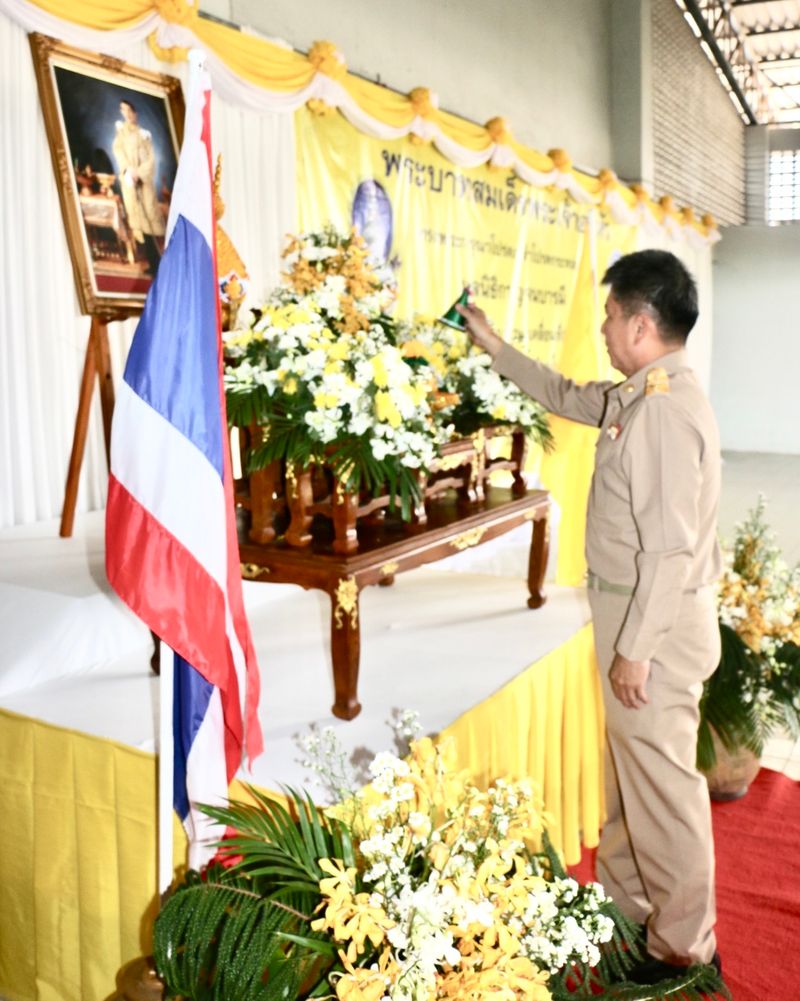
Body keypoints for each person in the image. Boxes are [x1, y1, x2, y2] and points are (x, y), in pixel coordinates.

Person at [457, 249, 723, 985]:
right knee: (630, 785)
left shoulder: (662, 411)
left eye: (609, 317)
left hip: (654, 634)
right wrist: (492, 344)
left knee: (665, 799)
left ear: (641, 324)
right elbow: (571, 395)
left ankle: (684, 950)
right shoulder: (643, 394)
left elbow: (670, 551)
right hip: (636, 622)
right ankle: (628, 913)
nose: (602, 329)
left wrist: (634, 648)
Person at [112, 99, 165, 277]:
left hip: (143, 183)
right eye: (123, 111)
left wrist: (140, 173)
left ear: (135, 113)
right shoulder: (121, 135)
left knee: (151, 221)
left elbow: (151, 158)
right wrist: (129, 171)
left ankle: (161, 263)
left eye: (129, 111)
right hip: (131, 183)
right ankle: (152, 262)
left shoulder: (144, 135)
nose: (127, 115)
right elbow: (119, 153)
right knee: (139, 224)